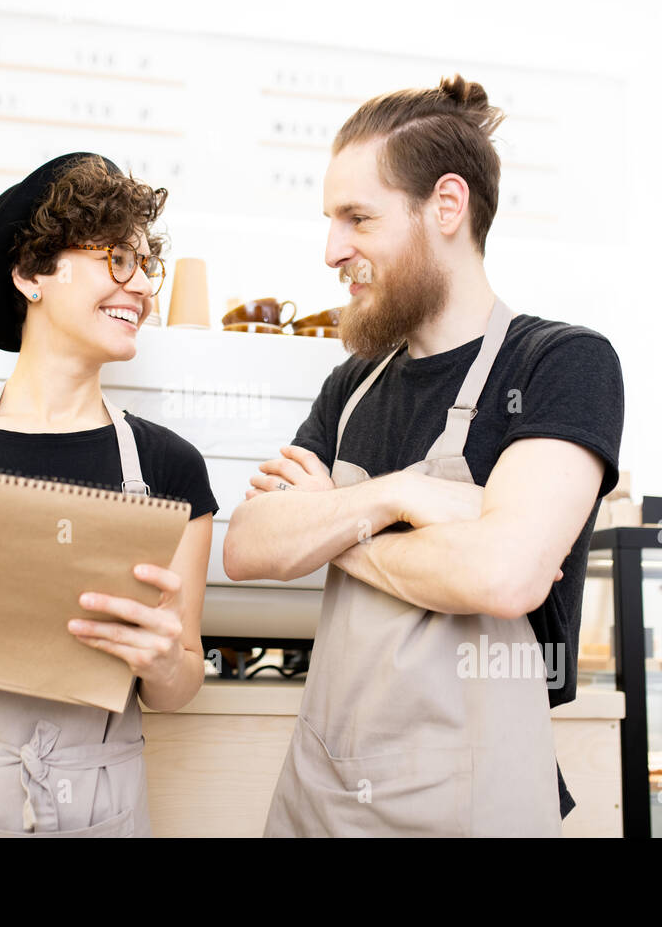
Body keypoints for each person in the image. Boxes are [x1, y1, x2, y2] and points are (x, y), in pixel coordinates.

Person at [223, 76, 625, 836]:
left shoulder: (561, 363)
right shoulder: (354, 382)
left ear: (446, 205)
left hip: (470, 802)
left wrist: (330, 528)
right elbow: (247, 547)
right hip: (324, 792)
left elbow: (504, 576)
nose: (332, 250)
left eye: (357, 218)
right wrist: (394, 497)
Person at [0, 152, 217, 837]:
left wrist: (161, 659)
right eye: (117, 258)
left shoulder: (171, 468)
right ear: (30, 274)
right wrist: (6, 597)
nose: (141, 285)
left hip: (105, 803)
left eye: (146, 265)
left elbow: (180, 685)